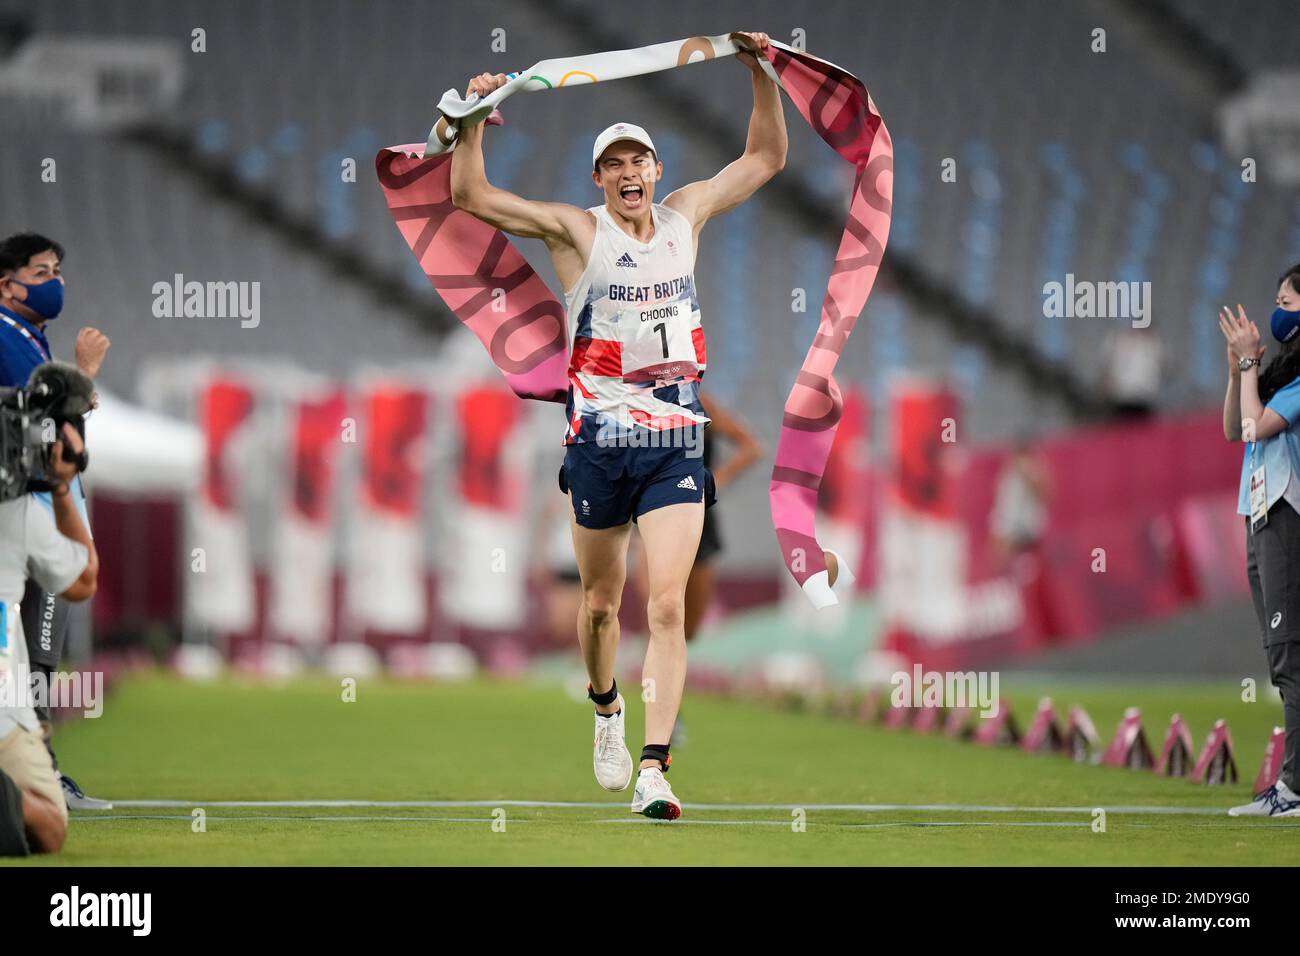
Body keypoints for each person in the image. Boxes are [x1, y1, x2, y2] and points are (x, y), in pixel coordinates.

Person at [451, 31, 786, 819]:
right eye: (616, 164)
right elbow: (470, 197)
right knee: (601, 604)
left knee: (665, 606)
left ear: (657, 170)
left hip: (674, 442)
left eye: (640, 160)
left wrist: (760, 71)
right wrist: (472, 117)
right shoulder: (578, 232)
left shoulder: (686, 217)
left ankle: (655, 767)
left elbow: (765, 158)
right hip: (601, 445)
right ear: (598, 179)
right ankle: (606, 710)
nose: (631, 172)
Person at [0, 232, 112, 810]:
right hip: (35, 510)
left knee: (36, 653)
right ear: (6, 283)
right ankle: (41, 780)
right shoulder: (5, 336)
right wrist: (84, 376)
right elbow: (38, 418)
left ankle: (34, 775)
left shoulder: (28, 337)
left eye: (58, 273)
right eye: (41, 273)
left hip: (48, 504)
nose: (54, 284)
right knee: (39, 652)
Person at [629, 394, 763, 743]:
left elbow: (751, 447)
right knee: (659, 616)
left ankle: (668, 698)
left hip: (699, 521)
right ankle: (664, 718)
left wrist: (717, 477)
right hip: (653, 519)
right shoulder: (641, 400)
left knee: (688, 629)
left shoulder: (701, 404)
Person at [1219, 263, 1300, 818]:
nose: (1275, 311)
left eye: (1286, 302)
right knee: (1280, 656)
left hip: (1287, 516)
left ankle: (1294, 788)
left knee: (1291, 652)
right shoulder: (1279, 376)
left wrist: (1251, 364)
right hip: (1259, 513)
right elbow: (1232, 429)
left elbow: (1255, 428)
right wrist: (1236, 372)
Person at [0, 416, 99, 855]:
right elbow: (83, 577)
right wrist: (61, 486)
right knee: (50, 824)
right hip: (5, 721)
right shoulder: (20, 513)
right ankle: (44, 774)